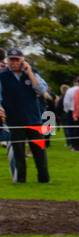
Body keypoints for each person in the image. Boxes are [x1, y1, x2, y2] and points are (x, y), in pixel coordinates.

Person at [1, 47, 51, 183]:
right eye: (11, 60)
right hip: (14, 120)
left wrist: (29, 73)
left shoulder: (33, 73)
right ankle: (21, 179)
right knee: (19, 152)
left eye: (16, 60)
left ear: (23, 60)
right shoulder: (2, 76)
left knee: (40, 151)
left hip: (34, 119)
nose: (13, 62)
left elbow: (41, 91)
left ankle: (44, 178)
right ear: (7, 60)